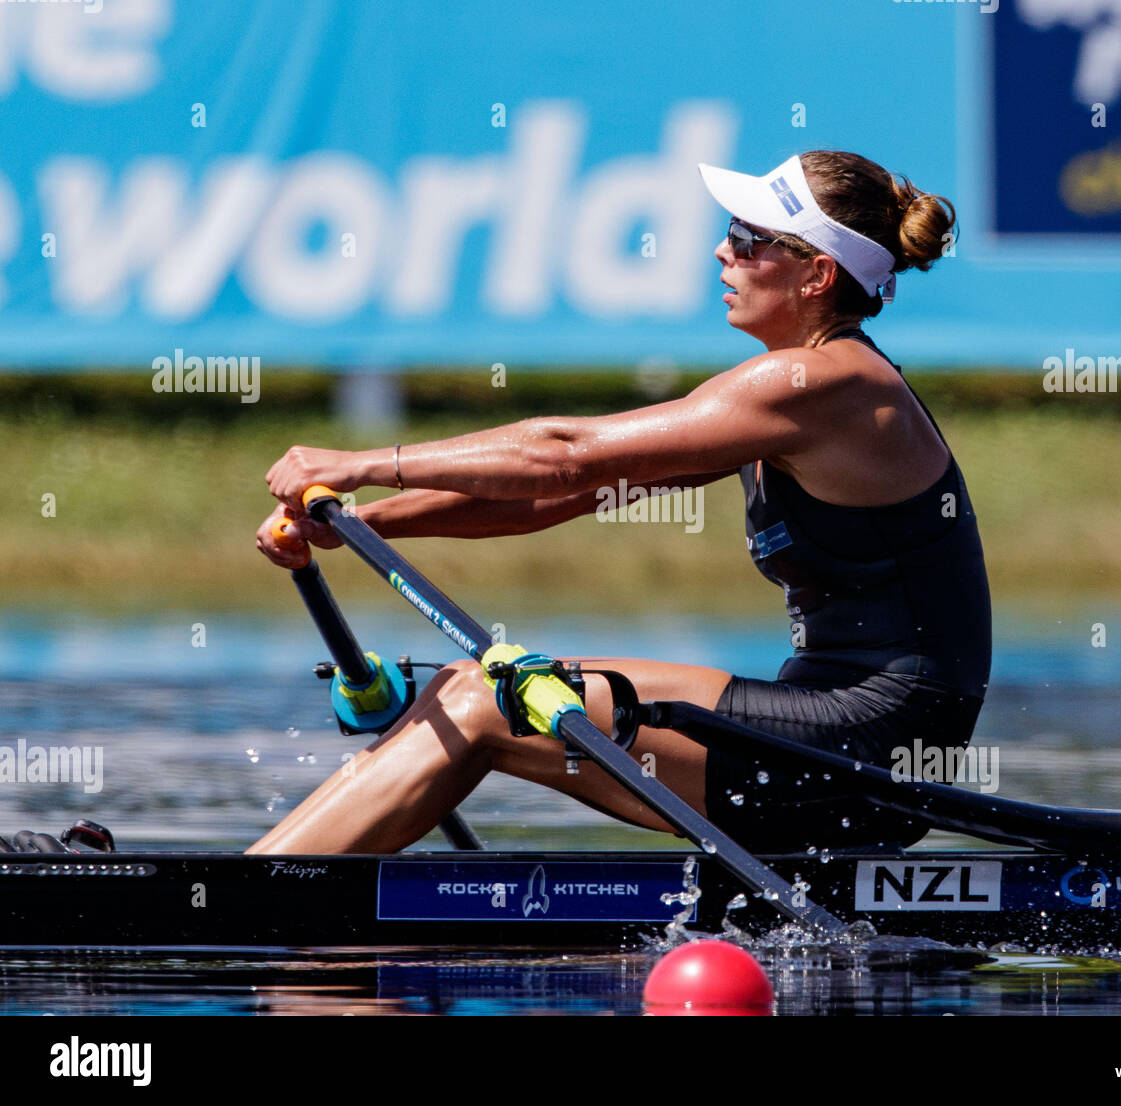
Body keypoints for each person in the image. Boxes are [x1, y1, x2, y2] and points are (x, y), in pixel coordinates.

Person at [247, 149, 991, 855]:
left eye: (746, 237)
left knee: (484, 698)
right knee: (469, 688)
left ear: (817, 275)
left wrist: (364, 464)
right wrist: (360, 522)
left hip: (872, 750)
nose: (720, 253)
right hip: (828, 730)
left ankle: (248, 886)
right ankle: (262, 871)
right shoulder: (793, 392)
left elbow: (563, 454)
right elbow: (556, 498)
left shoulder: (827, 386)